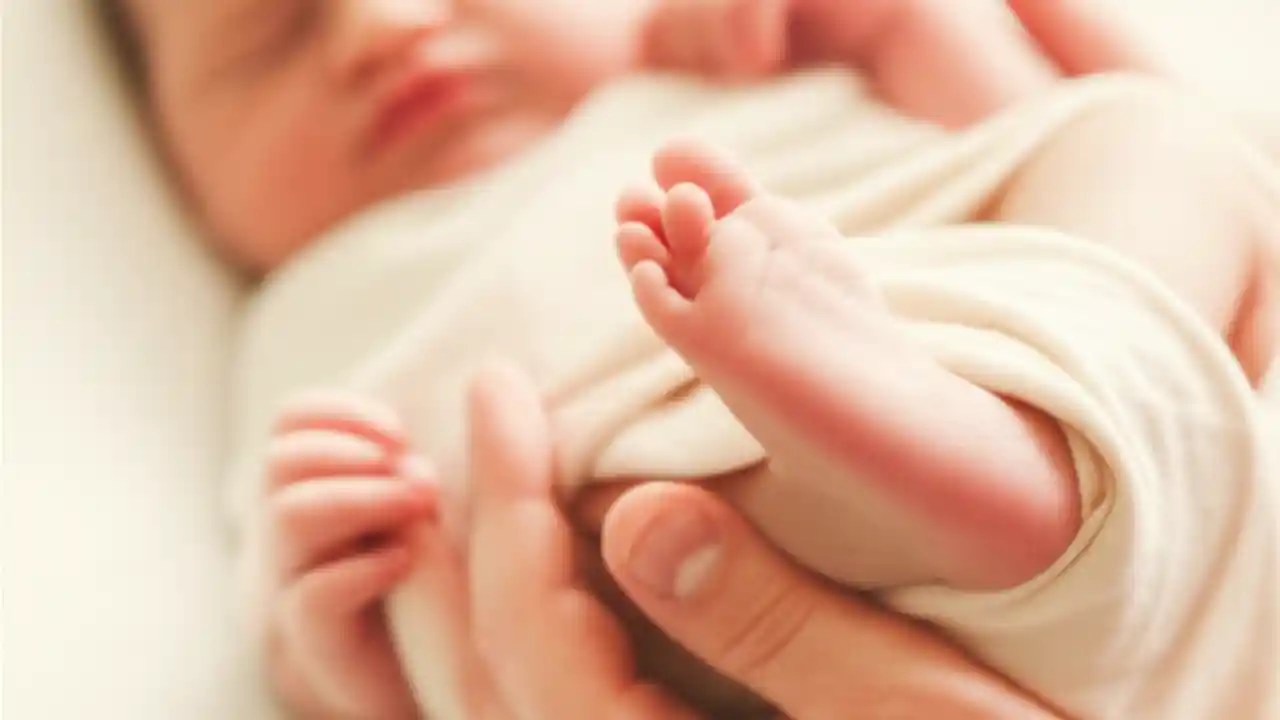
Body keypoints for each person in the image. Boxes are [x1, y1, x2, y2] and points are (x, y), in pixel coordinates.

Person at [114, 0, 1277, 717]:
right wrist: (338, 650)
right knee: (642, 520)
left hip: (1059, 377)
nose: (382, 23)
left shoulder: (738, 65)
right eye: (263, 32)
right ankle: (953, 466)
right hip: (679, 523)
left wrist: (899, 29)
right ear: (181, 176)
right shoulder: (301, 313)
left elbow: (1017, 173)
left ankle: (1001, 436)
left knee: (1147, 140)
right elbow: (349, 649)